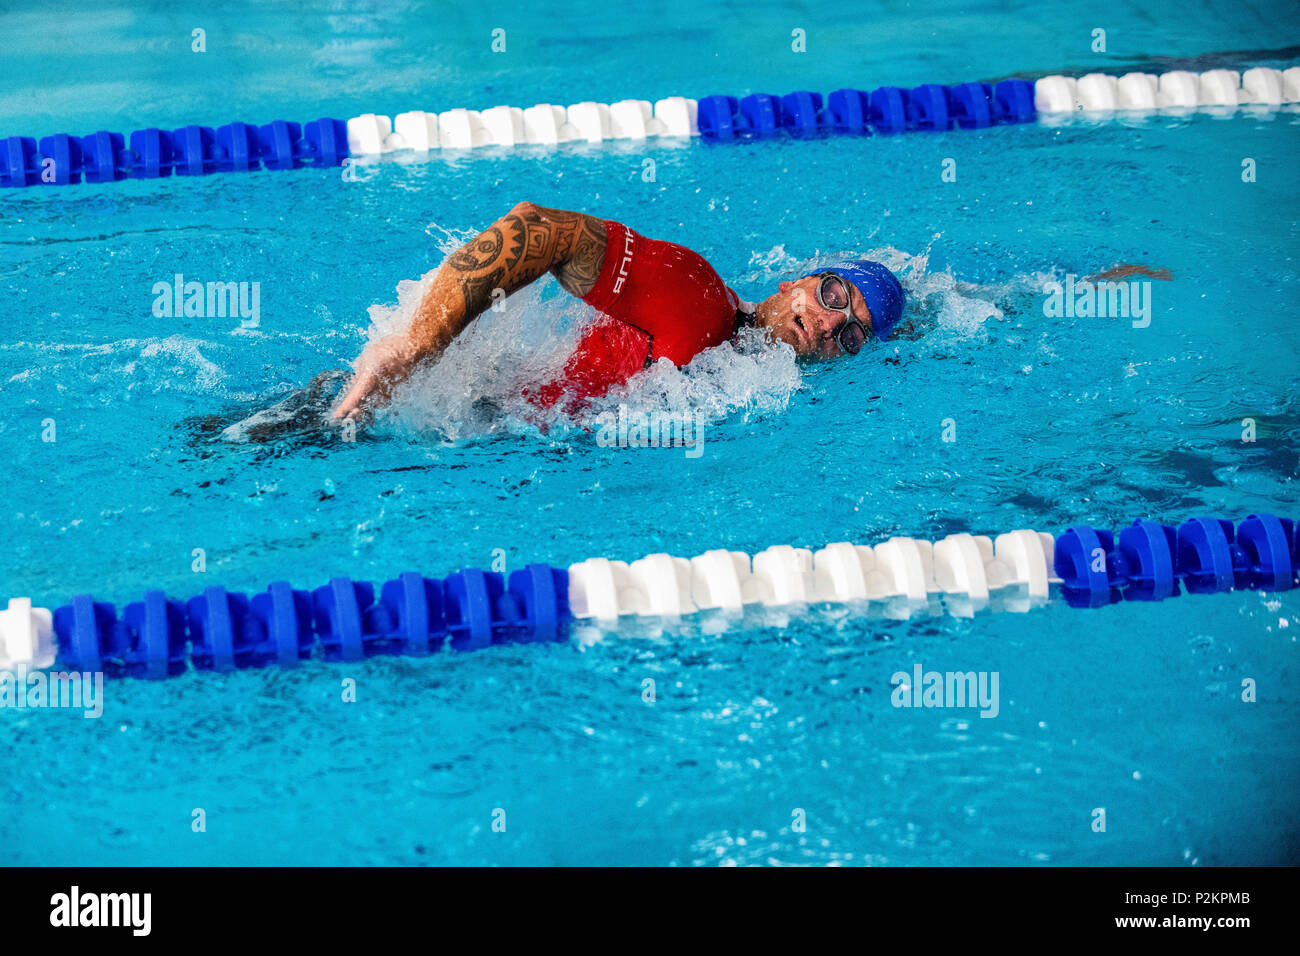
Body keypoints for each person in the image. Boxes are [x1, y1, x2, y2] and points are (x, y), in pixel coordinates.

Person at [332, 202, 906, 420]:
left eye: (852, 335)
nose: (832, 324)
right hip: (418, 407)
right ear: (797, 281)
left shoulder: (750, 383)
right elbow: (539, 230)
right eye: (834, 297)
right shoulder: (699, 300)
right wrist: (419, 343)